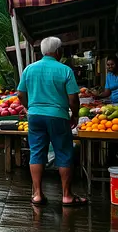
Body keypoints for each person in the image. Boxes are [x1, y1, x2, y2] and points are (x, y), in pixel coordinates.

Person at [17, 37, 85, 207]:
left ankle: (38, 195)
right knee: (64, 153)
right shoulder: (65, 70)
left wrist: (29, 107)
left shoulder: (29, 69)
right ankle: (67, 196)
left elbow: (20, 94)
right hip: (58, 116)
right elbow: (73, 99)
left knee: (36, 152)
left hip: (35, 116)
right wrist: (75, 115)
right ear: (58, 51)